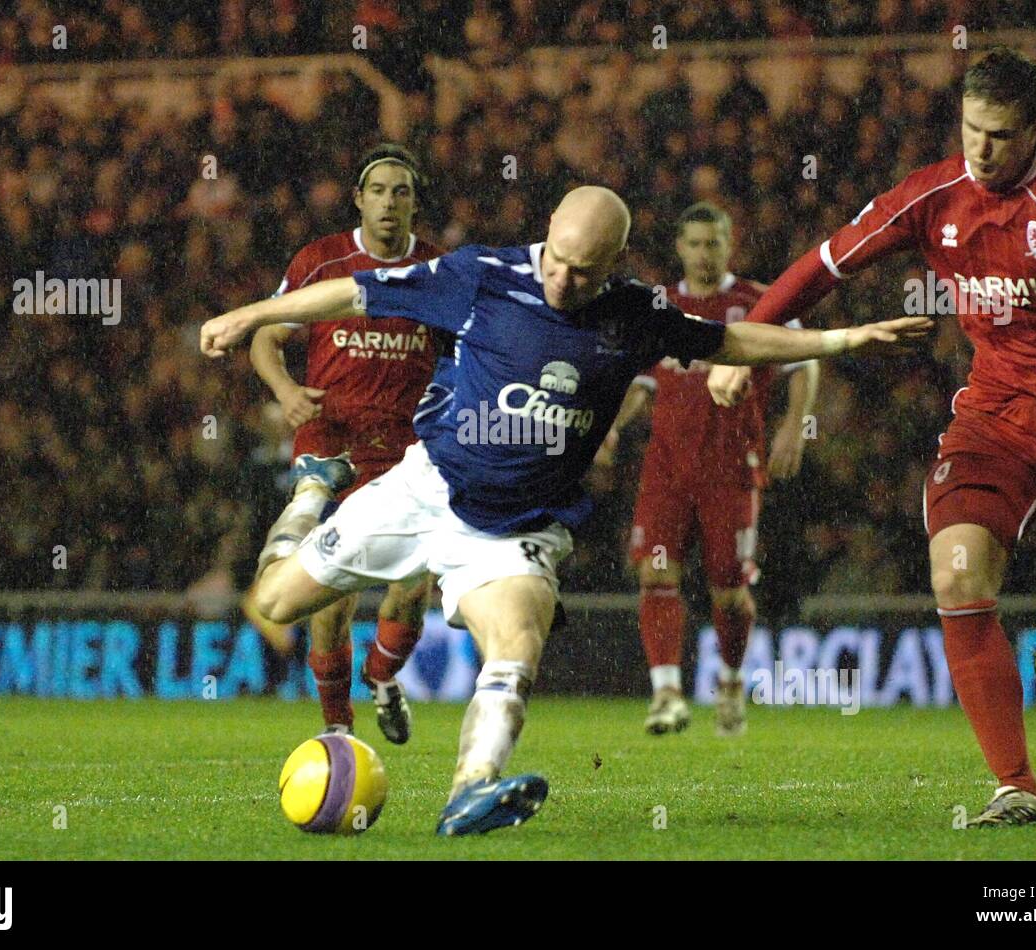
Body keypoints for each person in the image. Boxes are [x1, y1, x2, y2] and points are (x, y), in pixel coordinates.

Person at [202, 185, 930, 836]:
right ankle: (308, 496)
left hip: (518, 531)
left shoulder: (633, 312)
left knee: (517, 644)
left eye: (585, 271)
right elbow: (354, 293)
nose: (563, 280)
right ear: (547, 231)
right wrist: (252, 315)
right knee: (276, 598)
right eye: (558, 260)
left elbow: (727, 339)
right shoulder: (481, 275)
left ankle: (471, 789)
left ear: (614, 262)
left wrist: (837, 340)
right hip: (424, 488)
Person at [709, 47, 1036, 826]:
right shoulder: (933, 196)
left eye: (1002, 136)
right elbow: (824, 266)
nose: (982, 149)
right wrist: (744, 345)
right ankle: (1016, 786)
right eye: (973, 130)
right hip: (993, 416)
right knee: (956, 574)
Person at [247, 144, 442, 745]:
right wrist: (284, 391)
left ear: (413, 203)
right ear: (359, 198)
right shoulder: (323, 259)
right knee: (330, 605)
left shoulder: (438, 271)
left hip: (407, 453)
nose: (389, 201)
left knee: (412, 589)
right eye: (378, 190)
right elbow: (265, 336)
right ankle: (337, 727)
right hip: (334, 440)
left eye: (401, 191)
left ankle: (382, 679)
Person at [601, 201, 818, 736]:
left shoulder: (757, 302)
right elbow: (641, 383)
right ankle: (668, 694)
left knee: (727, 588)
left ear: (729, 244)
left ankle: (730, 678)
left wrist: (794, 427)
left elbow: (805, 359)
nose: (704, 253)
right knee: (655, 573)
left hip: (731, 467)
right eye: (694, 244)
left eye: (713, 243)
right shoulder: (662, 306)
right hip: (667, 467)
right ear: (679, 248)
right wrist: (609, 426)